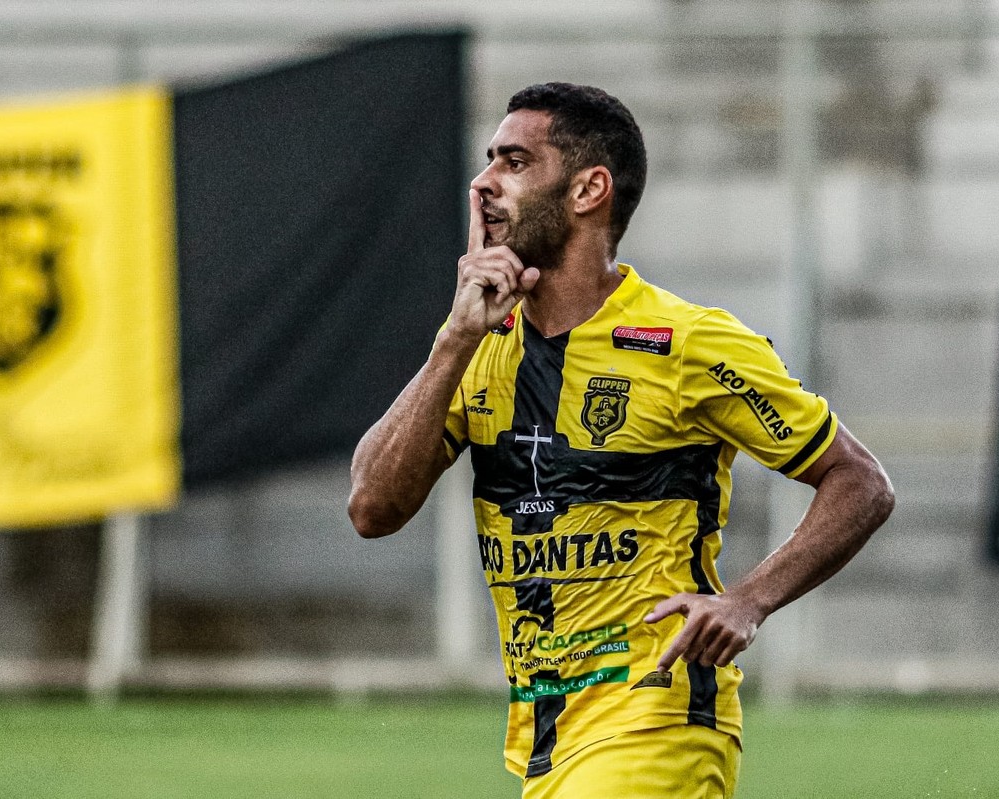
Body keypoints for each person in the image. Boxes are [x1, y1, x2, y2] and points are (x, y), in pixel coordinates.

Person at [348, 82, 894, 799]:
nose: (483, 183)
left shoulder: (686, 341)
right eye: (487, 161)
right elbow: (372, 508)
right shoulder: (480, 340)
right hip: (548, 739)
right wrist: (454, 340)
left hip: (656, 716)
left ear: (588, 189)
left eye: (514, 162)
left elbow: (860, 482)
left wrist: (747, 599)